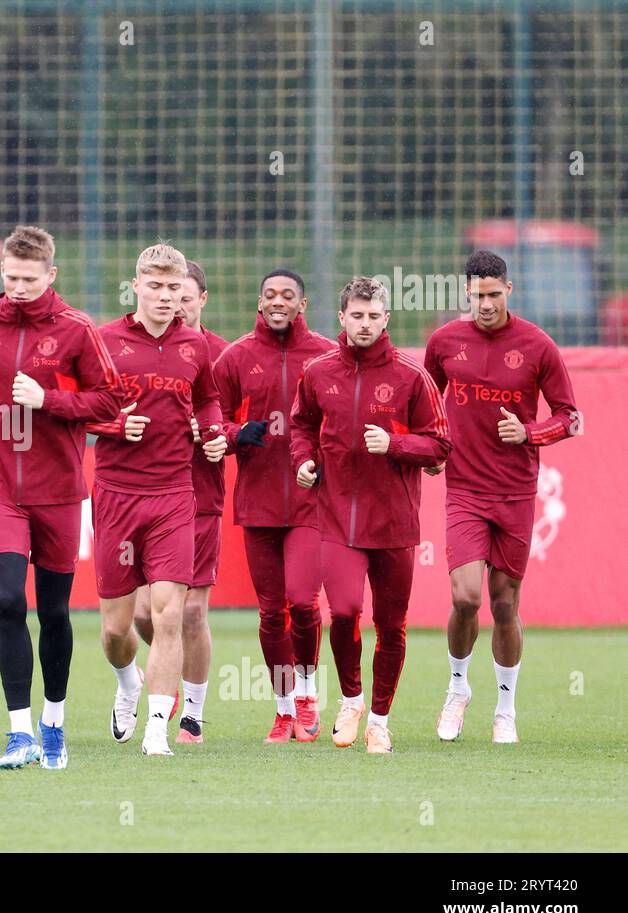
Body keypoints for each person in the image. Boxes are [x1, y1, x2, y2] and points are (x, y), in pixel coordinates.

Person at [0, 225, 123, 770]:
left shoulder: (76, 330)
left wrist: (50, 400)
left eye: (29, 278)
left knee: (53, 611)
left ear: (51, 275)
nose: (19, 287)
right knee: (6, 601)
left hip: (59, 492)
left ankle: (53, 723)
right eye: (11, 276)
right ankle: (17, 731)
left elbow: (110, 400)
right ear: (2, 272)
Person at [423, 250, 581, 744]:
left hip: (515, 493)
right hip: (465, 490)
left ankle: (506, 710)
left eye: (494, 294)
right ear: (465, 292)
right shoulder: (446, 341)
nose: (486, 303)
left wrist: (530, 434)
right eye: (477, 295)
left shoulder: (537, 345)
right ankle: (457, 689)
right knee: (466, 597)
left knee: (505, 604)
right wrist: (429, 448)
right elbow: (427, 399)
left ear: (508, 291)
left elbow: (570, 417)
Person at [291, 276, 451, 753]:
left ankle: (380, 719)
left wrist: (396, 444)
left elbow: (440, 443)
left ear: (387, 319)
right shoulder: (318, 372)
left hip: (395, 524)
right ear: (341, 318)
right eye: (356, 316)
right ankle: (352, 699)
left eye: (373, 316)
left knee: (391, 625)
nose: (364, 324)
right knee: (342, 611)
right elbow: (301, 425)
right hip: (336, 518)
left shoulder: (411, 375)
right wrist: (304, 460)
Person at [88, 245, 226, 756]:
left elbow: (209, 398)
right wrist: (113, 425)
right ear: (136, 287)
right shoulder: (103, 341)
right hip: (116, 496)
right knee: (117, 628)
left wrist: (212, 430)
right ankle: (128, 683)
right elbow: (79, 409)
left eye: (175, 288)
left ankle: (157, 730)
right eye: (157, 287)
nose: (167, 297)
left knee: (171, 614)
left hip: (174, 495)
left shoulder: (196, 346)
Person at [212, 269, 334, 744]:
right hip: (258, 504)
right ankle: (284, 711)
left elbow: (344, 417)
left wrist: (325, 461)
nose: (278, 301)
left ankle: (307, 694)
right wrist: (233, 436)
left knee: (303, 603)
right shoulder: (235, 357)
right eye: (270, 294)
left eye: (287, 295)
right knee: (269, 613)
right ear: (259, 302)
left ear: (302, 303)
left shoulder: (326, 354)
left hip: (312, 503)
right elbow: (211, 419)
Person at [131, 259, 229, 744]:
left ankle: (190, 711)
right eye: (167, 292)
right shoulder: (132, 347)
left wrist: (218, 437)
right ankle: (152, 679)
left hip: (200, 495)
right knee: (144, 615)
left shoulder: (217, 354)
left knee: (190, 613)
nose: (176, 304)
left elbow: (231, 421)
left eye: (185, 296)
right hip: (142, 492)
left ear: (200, 300)